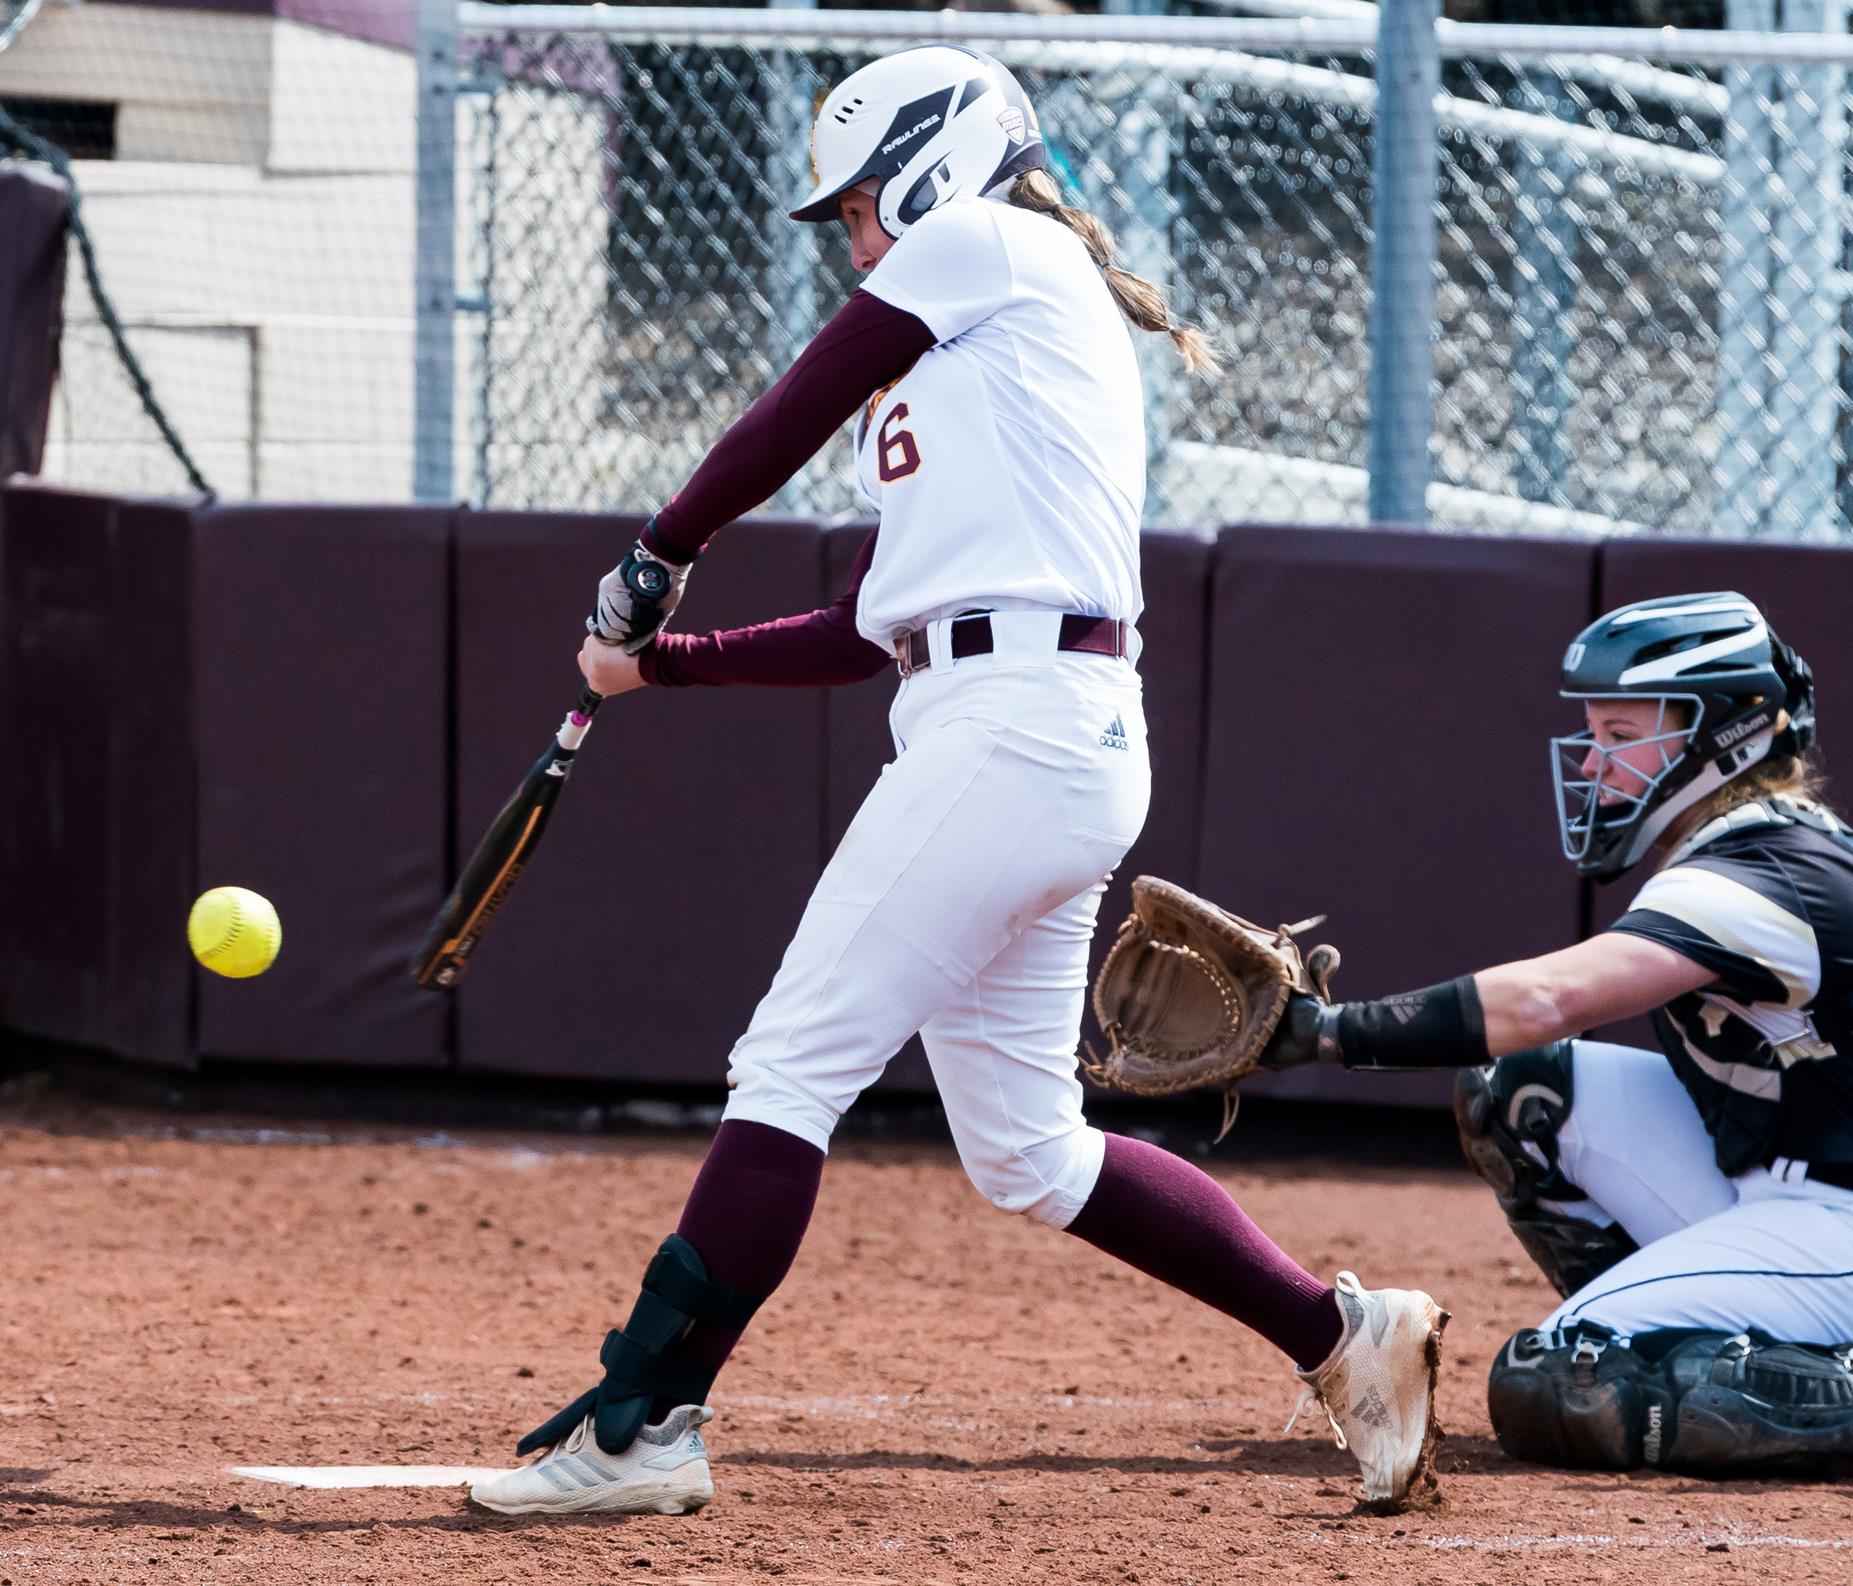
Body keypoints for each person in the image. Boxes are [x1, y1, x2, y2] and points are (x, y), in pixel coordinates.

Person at [469, 46, 1445, 1519]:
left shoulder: (993, 241)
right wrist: (653, 667)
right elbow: (868, 631)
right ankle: (1343, 1337)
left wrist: (663, 545)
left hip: (1019, 726)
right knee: (1029, 1148)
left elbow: (791, 405)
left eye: (861, 205)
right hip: (1024, 725)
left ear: (938, 162)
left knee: (791, 1064)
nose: (854, 242)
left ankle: (648, 1420)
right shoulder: (968, 362)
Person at [1256, 591, 1853, 1487]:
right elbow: (1530, 1045)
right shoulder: (1761, 849)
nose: (1597, 760)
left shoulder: (1768, 871)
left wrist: (1320, 1033)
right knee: (1523, 1094)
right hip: (1802, 1195)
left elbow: (1547, 998)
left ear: (1728, 734)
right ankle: (1672, 1356)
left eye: (1623, 733)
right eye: (1595, 734)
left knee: (1549, 1382)